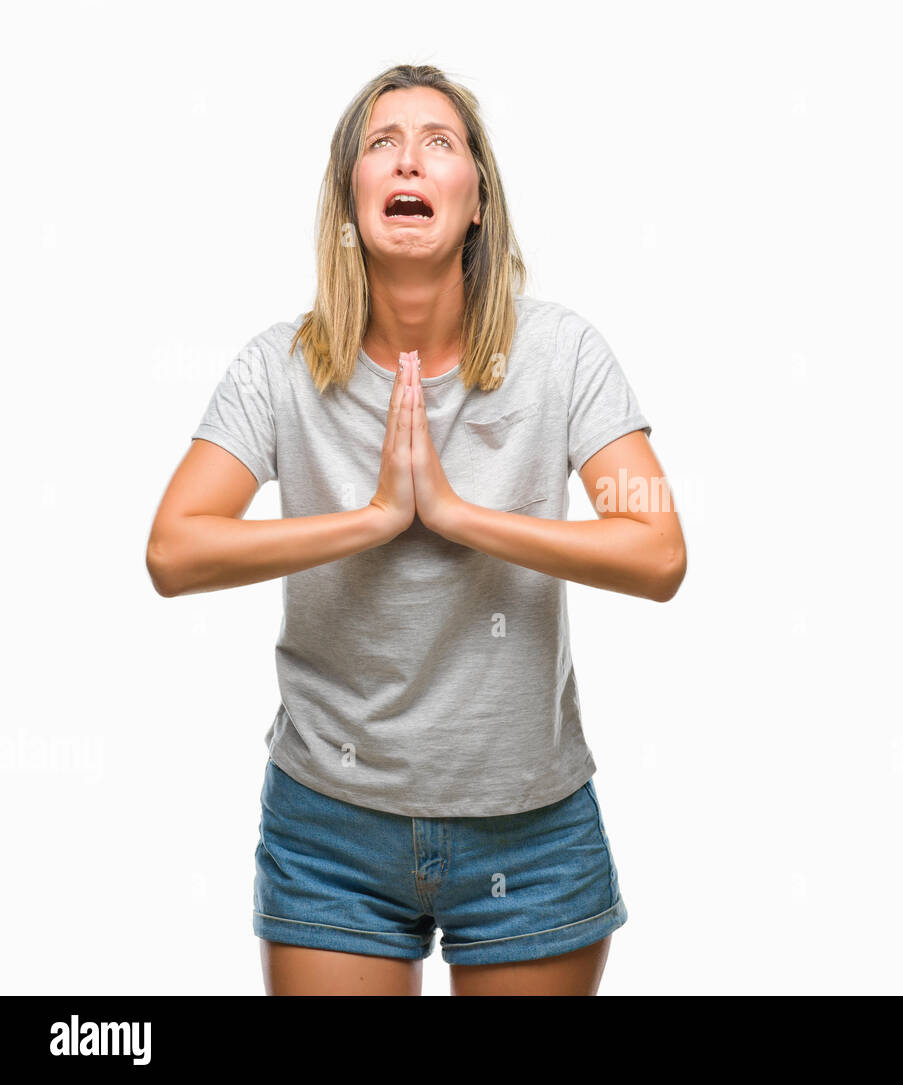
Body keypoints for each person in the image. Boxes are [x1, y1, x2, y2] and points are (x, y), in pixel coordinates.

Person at [145, 64, 686, 996]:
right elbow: (173, 549)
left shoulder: (560, 354)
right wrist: (371, 521)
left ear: (478, 201)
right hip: (331, 829)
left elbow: (659, 551)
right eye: (381, 143)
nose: (410, 159)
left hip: (531, 828)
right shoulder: (280, 368)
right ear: (350, 198)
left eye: (441, 143)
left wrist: (459, 516)